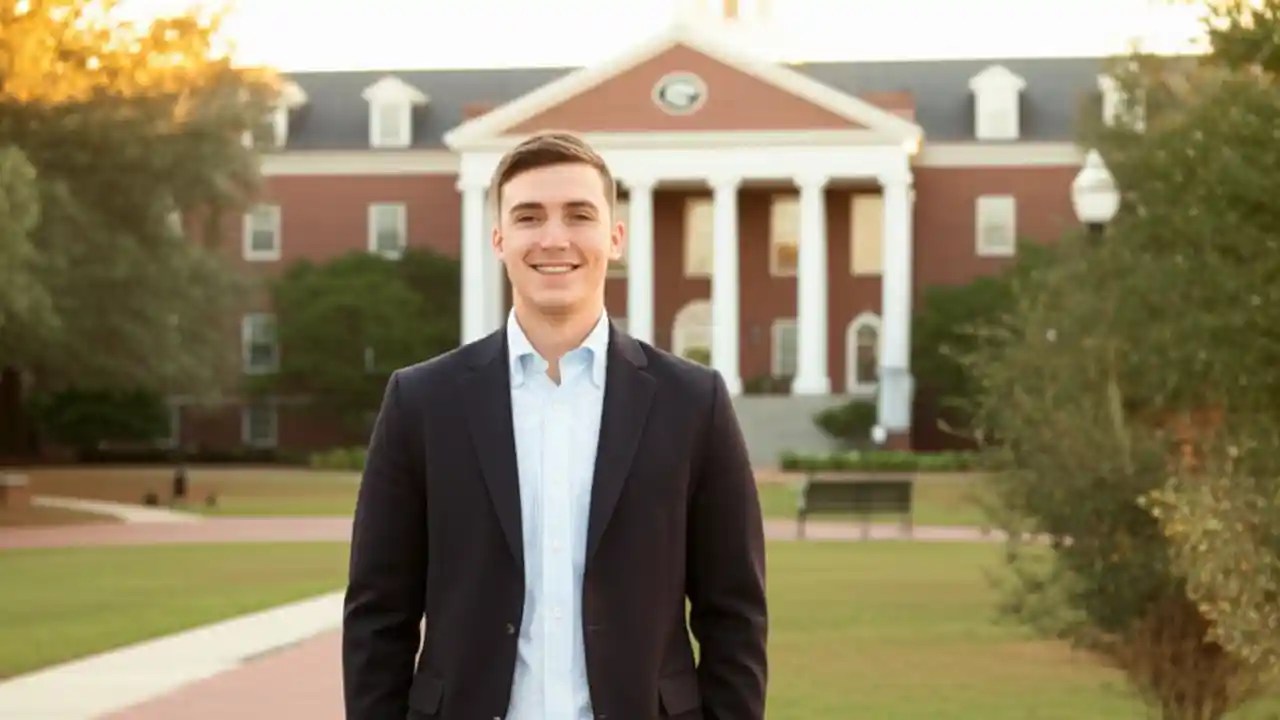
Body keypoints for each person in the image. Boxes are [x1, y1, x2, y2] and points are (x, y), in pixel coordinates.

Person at [342, 131, 767, 719]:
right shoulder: (421, 401)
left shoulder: (694, 403)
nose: (553, 238)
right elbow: (377, 615)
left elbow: (734, 616)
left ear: (614, 237)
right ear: (499, 239)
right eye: (528, 216)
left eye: (579, 215)